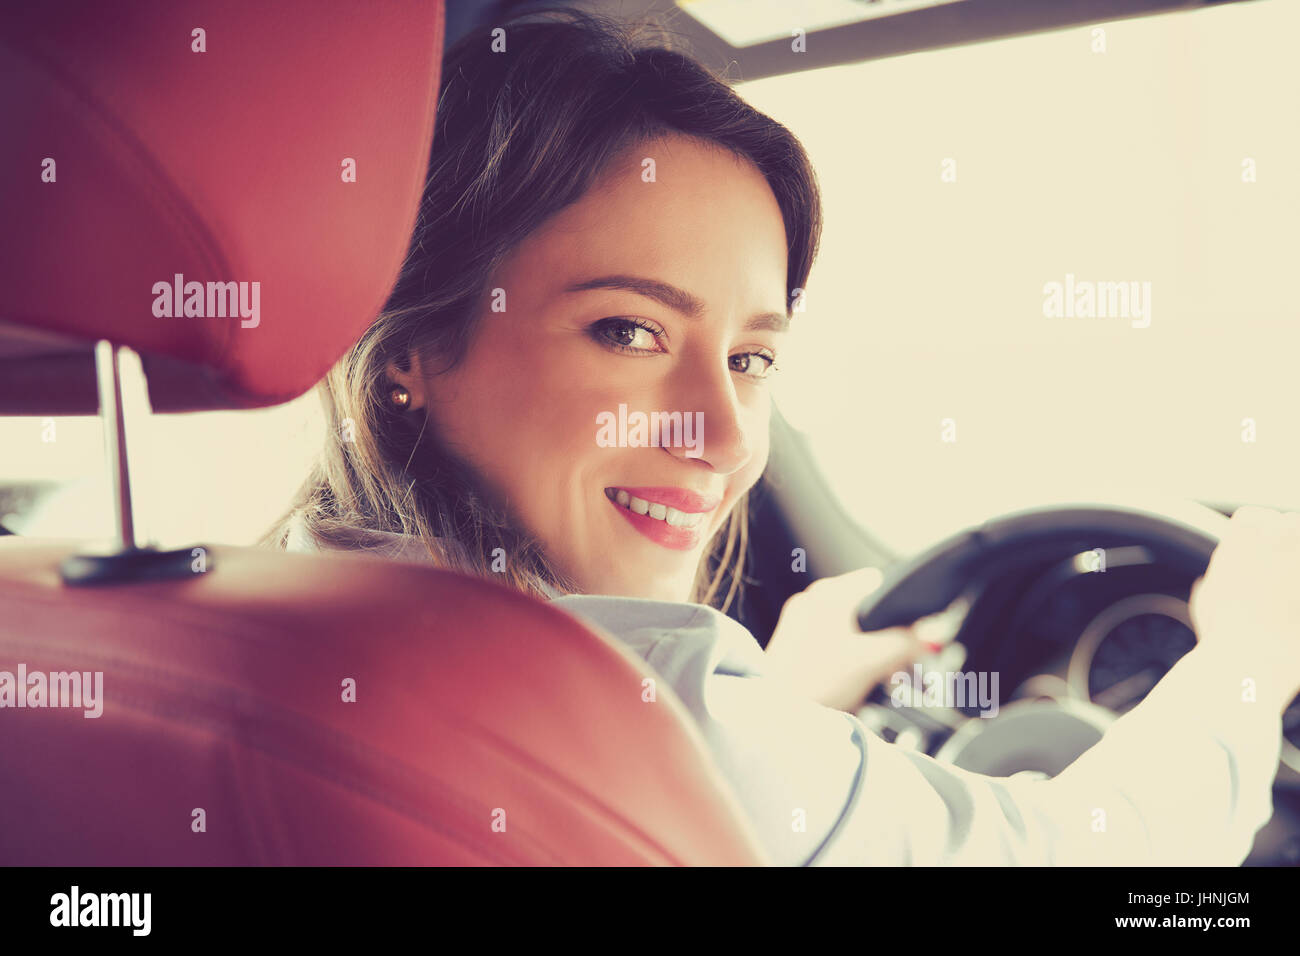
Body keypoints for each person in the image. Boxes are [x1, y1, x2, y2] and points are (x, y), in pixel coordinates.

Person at [266, 8, 1298, 865]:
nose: (722, 436)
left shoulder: (272, 604)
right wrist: (1247, 661)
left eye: (751, 359)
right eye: (628, 330)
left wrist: (780, 717)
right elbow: (1085, 851)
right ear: (409, 352)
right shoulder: (639, 696)